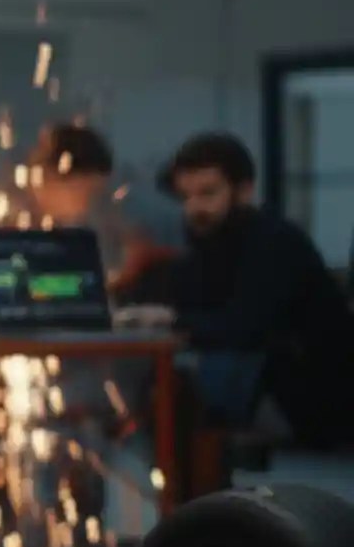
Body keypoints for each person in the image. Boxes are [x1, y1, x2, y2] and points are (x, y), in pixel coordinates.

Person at [160, 131, 354, 449]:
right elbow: (194, 308)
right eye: (186, 197)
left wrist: (173, 321)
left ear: (244, 191)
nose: (194, 207)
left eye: (207, 193)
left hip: (317, 407)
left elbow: (245, 328)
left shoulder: (274, 242)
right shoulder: (207, 244)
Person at [25, 123, 180, 298]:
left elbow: (137, 262)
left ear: (72, 176)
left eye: (46, 182)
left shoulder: (126, 204)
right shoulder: (96, 214)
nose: (40, 197)